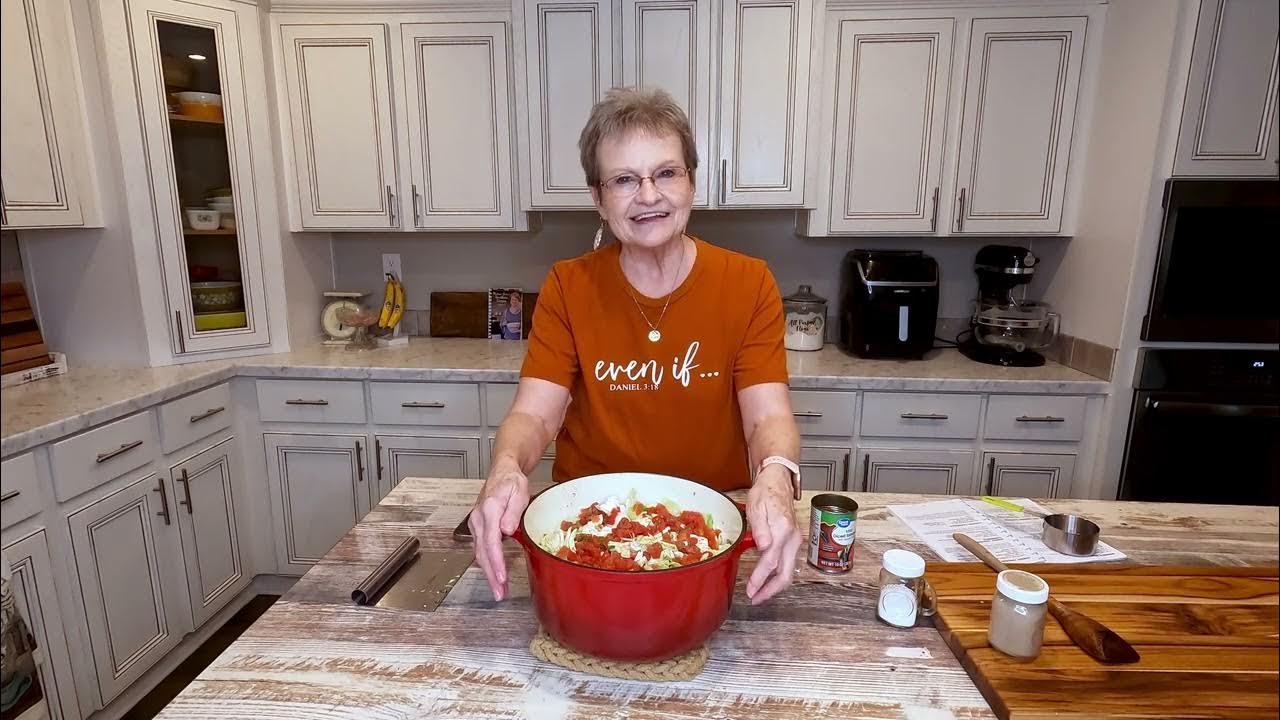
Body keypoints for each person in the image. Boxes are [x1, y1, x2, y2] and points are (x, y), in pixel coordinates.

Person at [468, 87, 802, 605]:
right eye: (624, 180)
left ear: (692, 182)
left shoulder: (749, 283)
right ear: (598, 199)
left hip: (711, 527)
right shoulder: (568, 286)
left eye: (666, 173)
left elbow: (767, 418)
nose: (649, 196)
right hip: (588, 526)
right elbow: (534, 414)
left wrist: (777, 477)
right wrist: (506, 469)